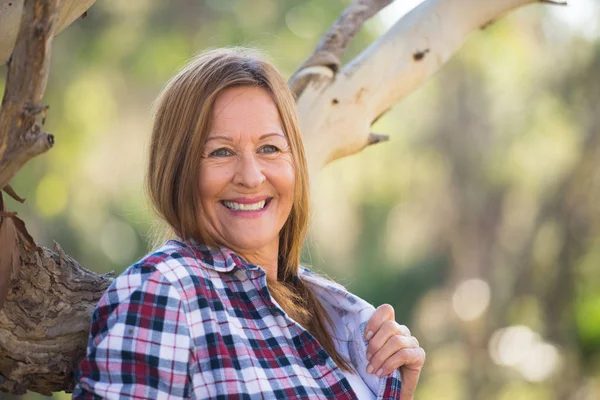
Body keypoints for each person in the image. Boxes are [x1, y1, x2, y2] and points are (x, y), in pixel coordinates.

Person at [73, 48, 425, 399]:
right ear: (177, 170)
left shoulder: (331, 312)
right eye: (221, 152)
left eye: (270, 148)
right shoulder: (163, 293)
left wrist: (397, 391)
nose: (251, 177)